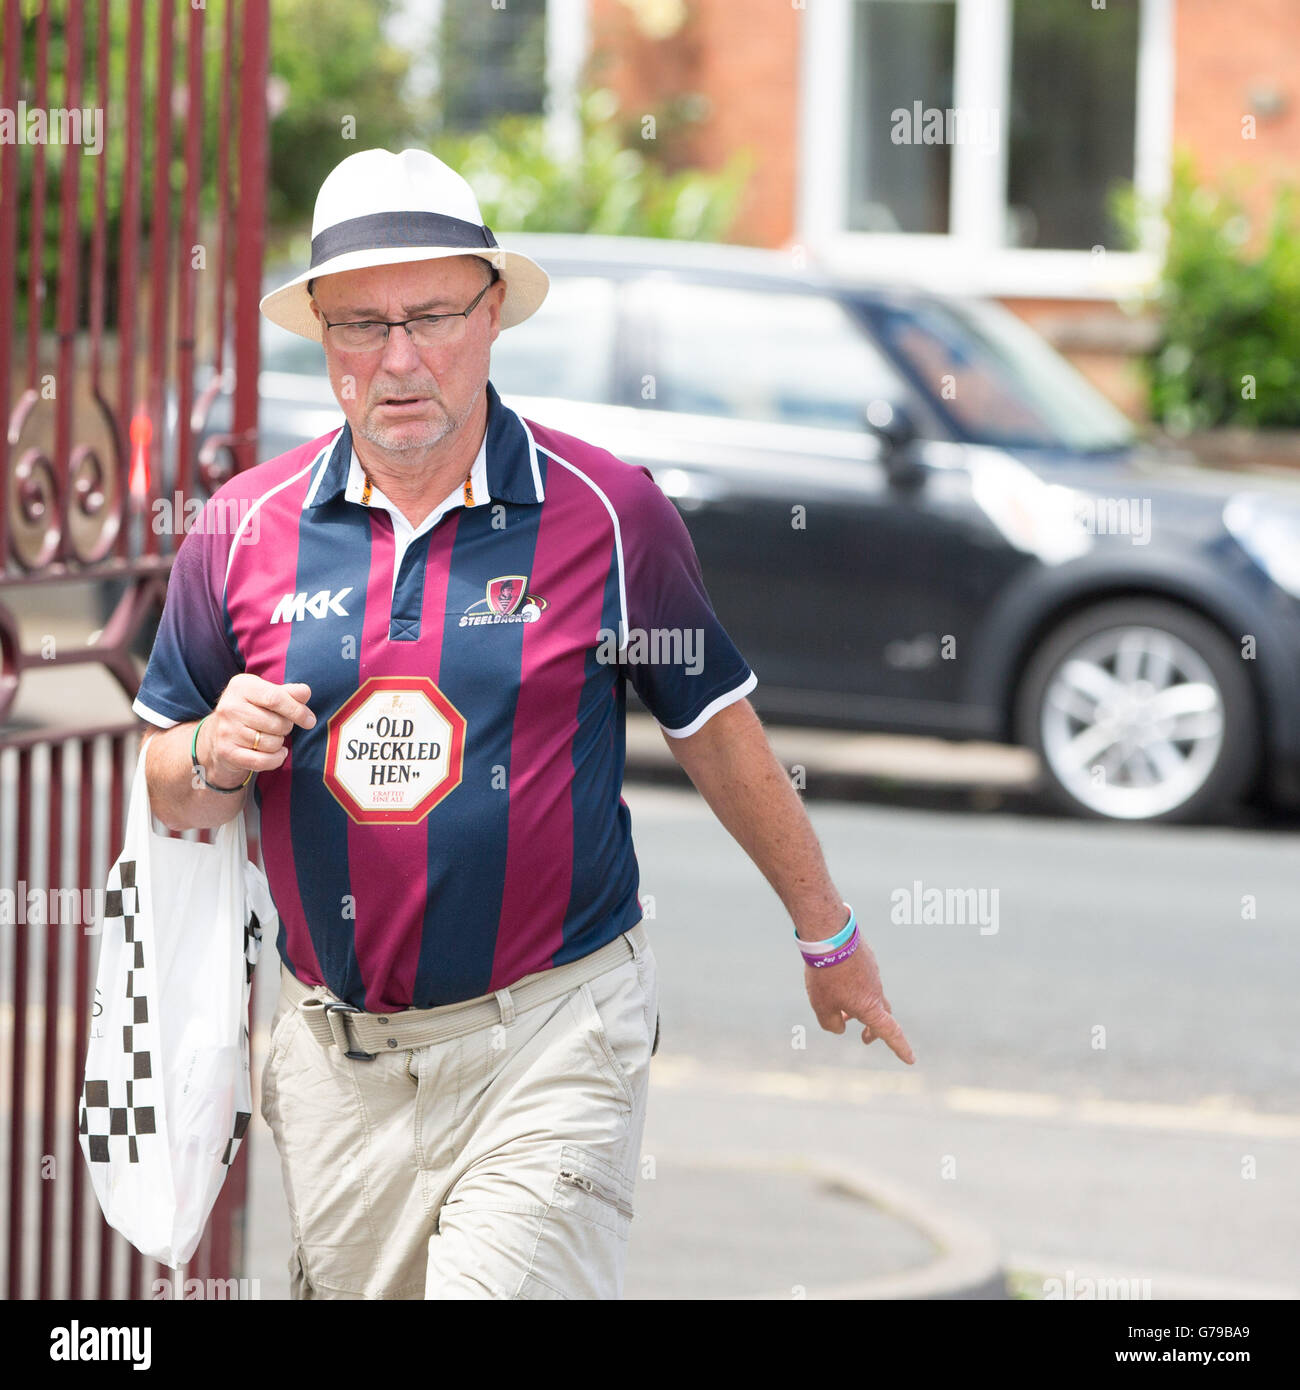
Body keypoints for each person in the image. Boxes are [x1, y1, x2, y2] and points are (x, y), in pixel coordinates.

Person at [134, 148, 914, 1300]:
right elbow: (162, 784)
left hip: (551, 1038)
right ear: (322, 338)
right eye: (360, 326)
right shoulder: (243, 529)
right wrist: (207, 751)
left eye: (432, 315)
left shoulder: (607, 515)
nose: (398, 360)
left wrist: (826, 931)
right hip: (336, 1065)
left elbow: (713, 729)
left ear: (493, 312)